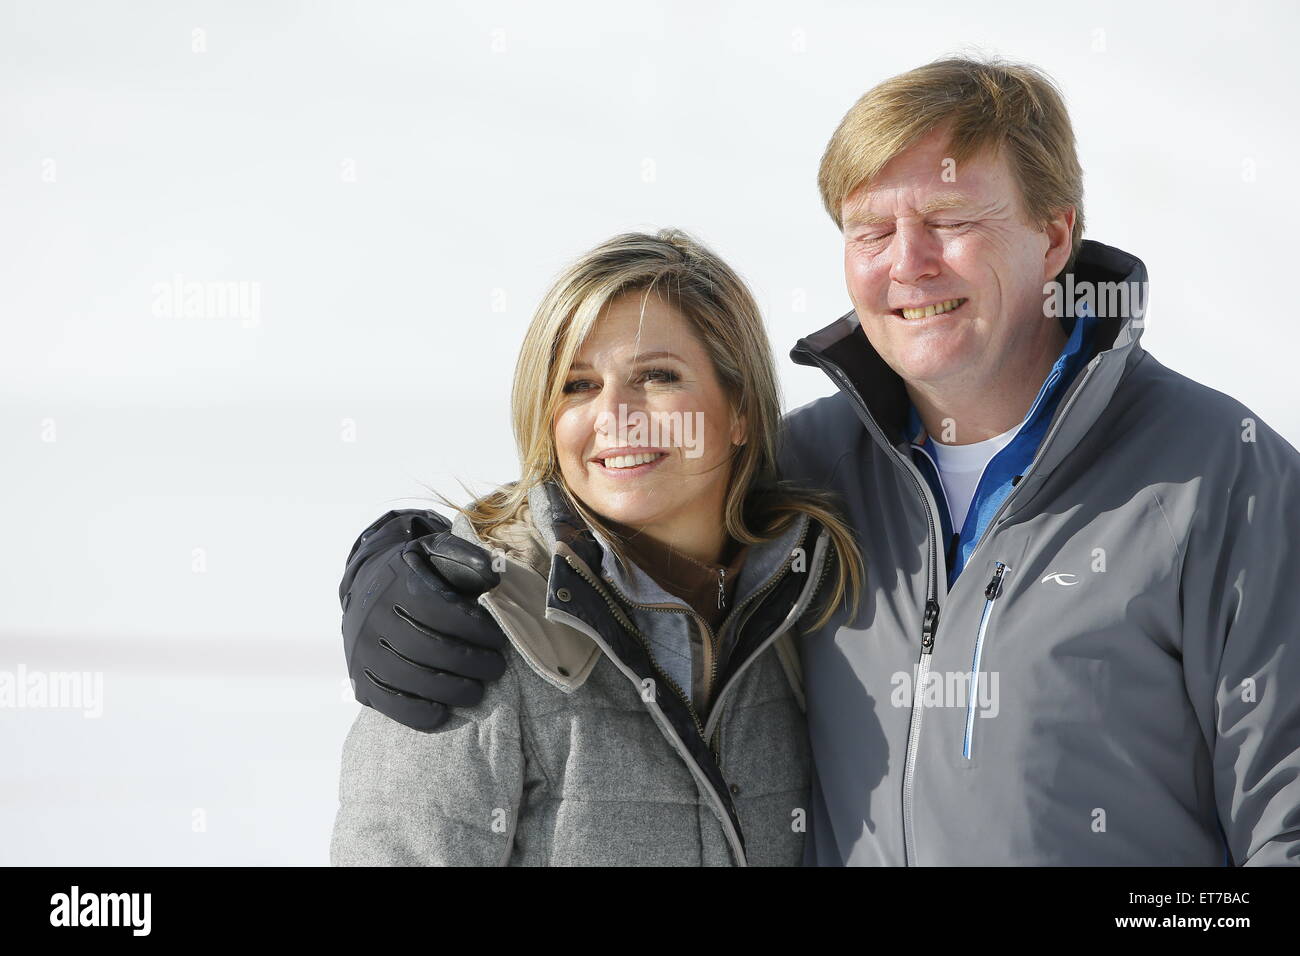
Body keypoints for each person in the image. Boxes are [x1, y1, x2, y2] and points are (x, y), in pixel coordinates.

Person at [340, 57, 1300, 865]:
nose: (907, 263)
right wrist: (394, 564)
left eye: (952, 220)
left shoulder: (1224, 480)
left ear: (1054, 235)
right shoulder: (814, 475)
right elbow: (602, 500)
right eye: (871, 231)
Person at [331, 230, 863, 866]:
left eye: (657, 376)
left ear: (742, 410)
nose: (616, 414)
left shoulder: (809, 605)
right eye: (577, 385)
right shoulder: (470, 627)